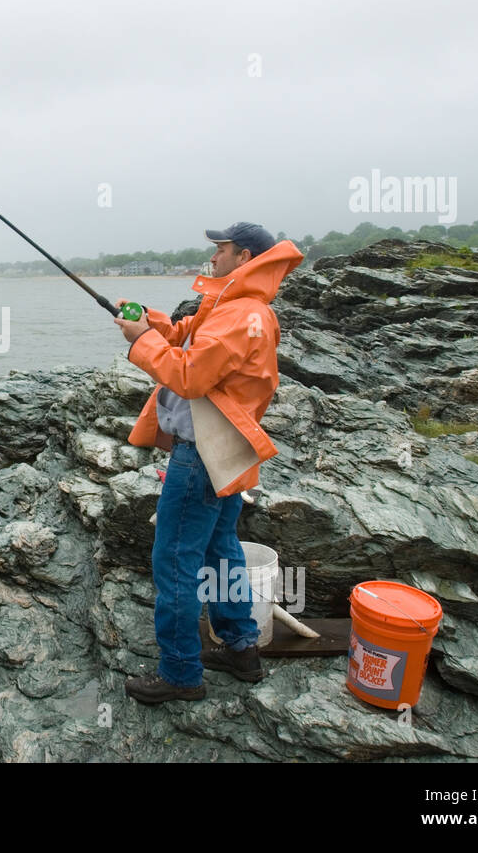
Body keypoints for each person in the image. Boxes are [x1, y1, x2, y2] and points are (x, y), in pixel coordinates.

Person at [112, 222, 304, 703]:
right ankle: (241, 649)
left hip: (201, 456)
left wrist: (139, 342)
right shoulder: (244, 309)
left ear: (243, 257)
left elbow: (189, 373)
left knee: (175, 562)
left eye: (219, 250)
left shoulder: (240, 314)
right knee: (221, 551)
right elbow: (186, 338)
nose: (212, 258)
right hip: (227, 455)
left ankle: (180, 675)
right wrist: (149, 323)